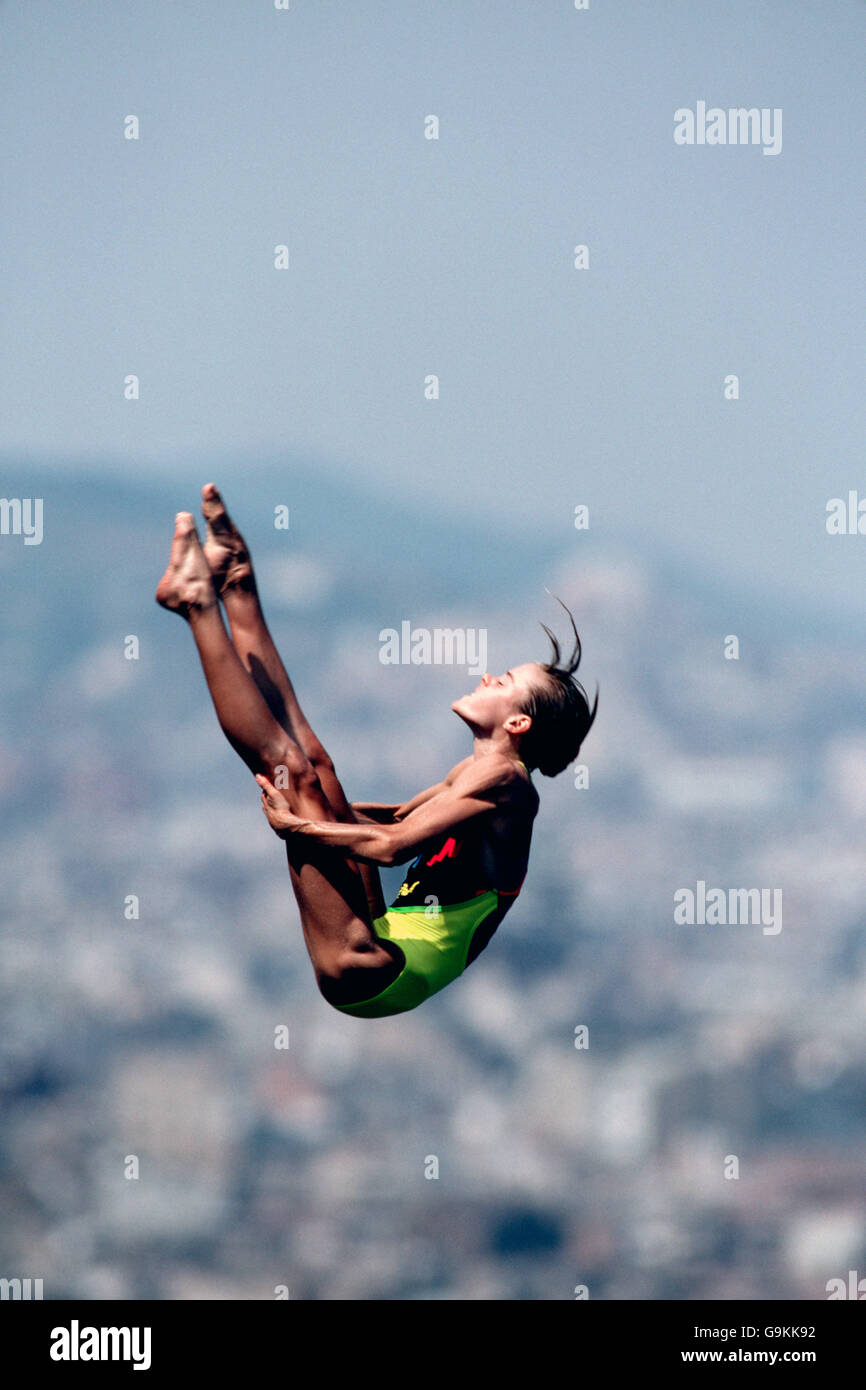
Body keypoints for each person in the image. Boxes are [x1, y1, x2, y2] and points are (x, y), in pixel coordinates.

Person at [156, 484, 598, 1018]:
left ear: (518, 721)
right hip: (384, 927)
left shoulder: (508, 783)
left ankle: (197, 604)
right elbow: (396, 819)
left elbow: (391, 848)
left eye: (503, 680)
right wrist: (324, 809)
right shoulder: (477, 770)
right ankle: (235, 582)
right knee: (314, 768)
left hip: (371, 969)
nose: (486, 676)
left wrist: (300, 826)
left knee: (290, 773)